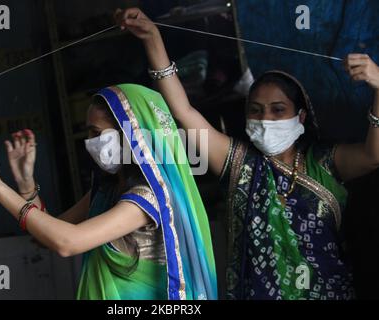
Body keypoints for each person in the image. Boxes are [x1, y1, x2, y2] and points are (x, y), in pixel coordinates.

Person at [115, 7, 379, 299]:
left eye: (278, 110)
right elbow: (183, 110)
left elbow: (372, 155)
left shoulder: (324, 163)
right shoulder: (241, 164)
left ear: (300, 116)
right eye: (256, 110)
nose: (266, 119)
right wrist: (153, 39)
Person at [0, 84, 218, 300]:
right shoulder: (105, 190)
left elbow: (67, 242)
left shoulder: (146, 198)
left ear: (132, 135)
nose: (91, 142)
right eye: (88, 132)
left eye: (97, 133)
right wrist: (26, 183)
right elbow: (47, 235)